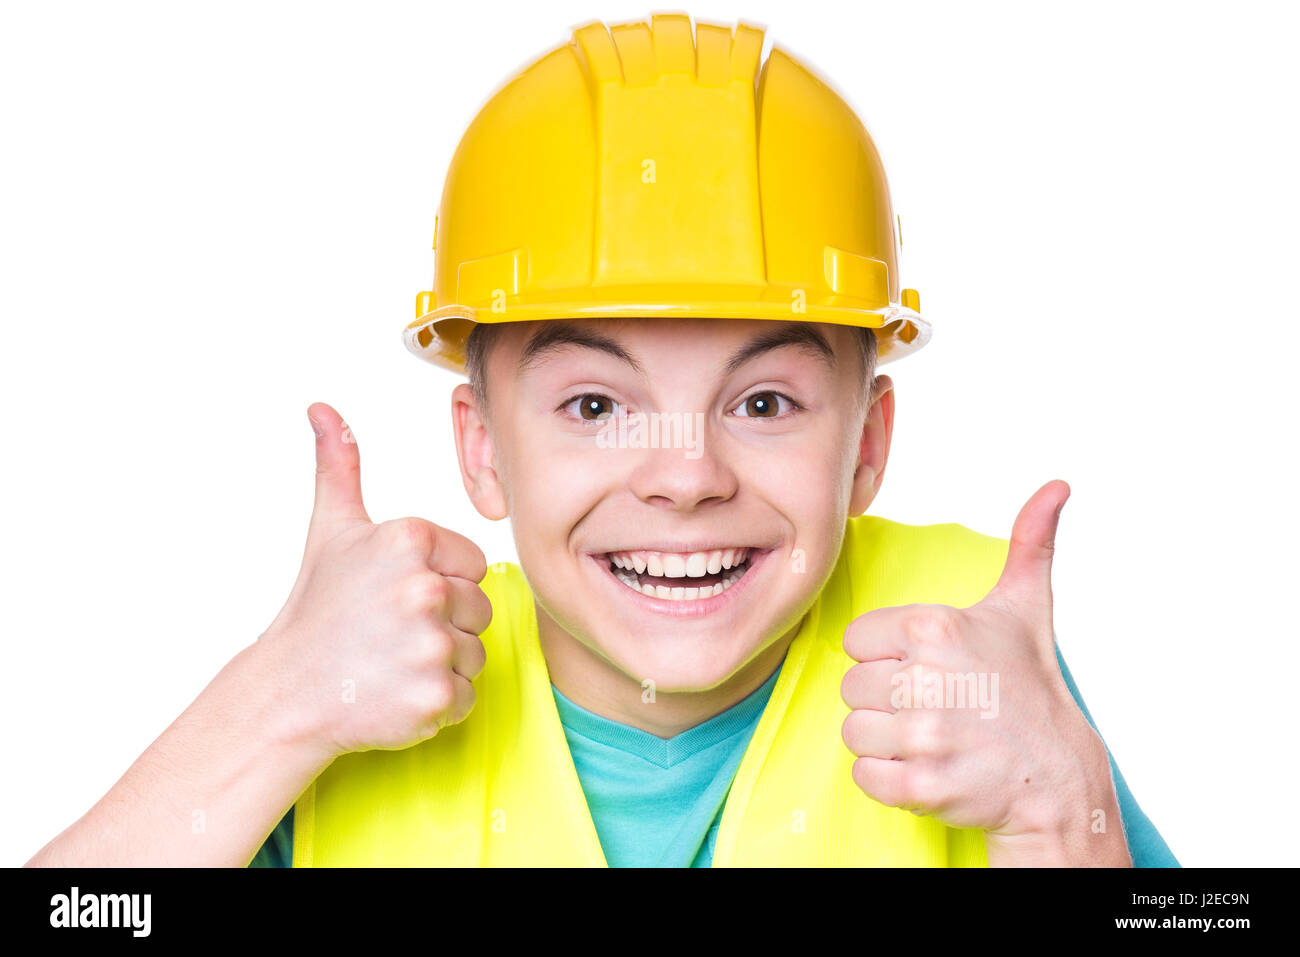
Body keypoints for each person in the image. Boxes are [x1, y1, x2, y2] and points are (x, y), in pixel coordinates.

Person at [27, 13, 1178, 868]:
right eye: (594, 406)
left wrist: (1067, 816)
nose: (684, 477)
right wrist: (270, 702)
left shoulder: (970, 655)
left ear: (867, 443)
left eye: (763, 403)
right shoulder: (353, 696)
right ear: (481, 449)